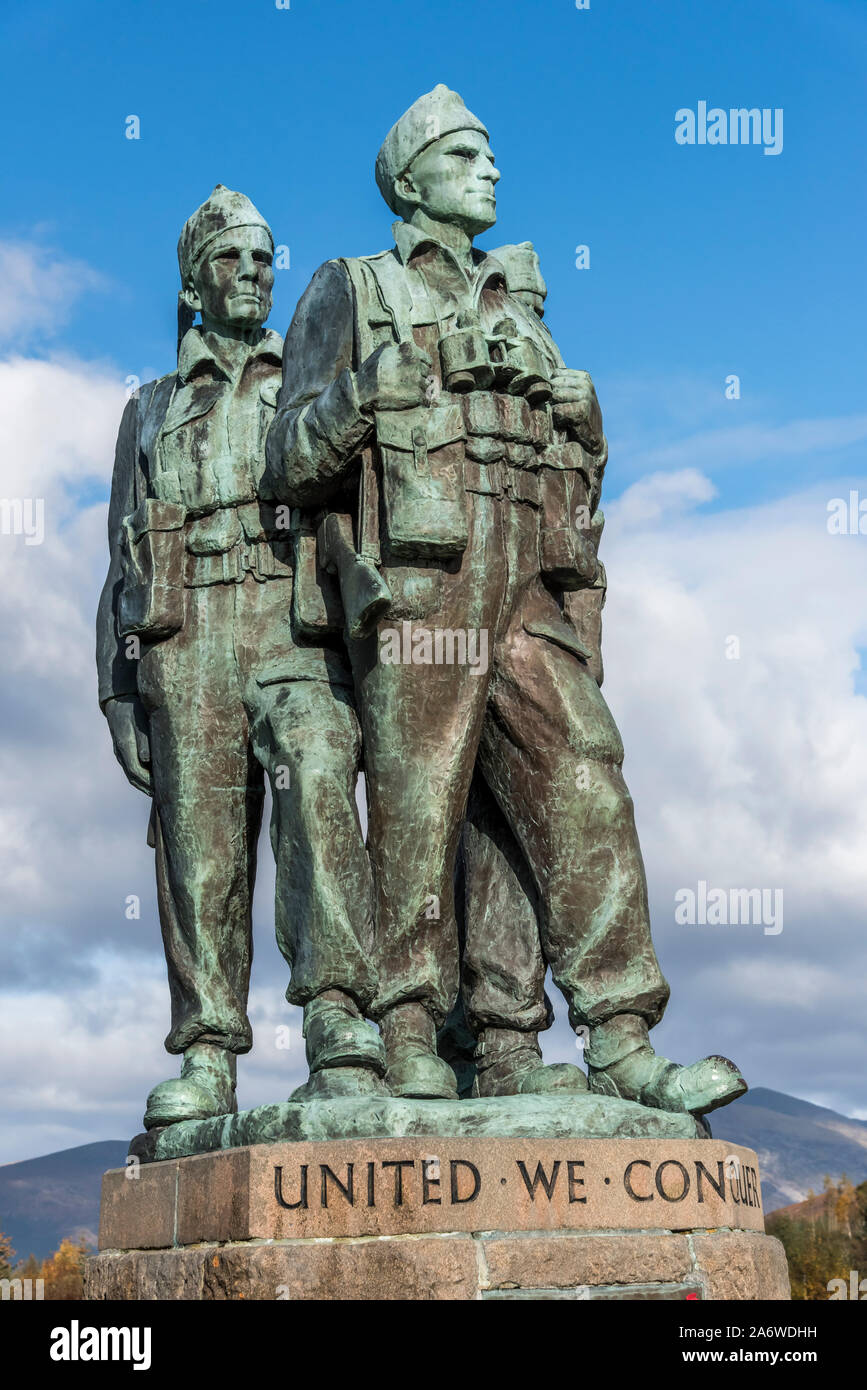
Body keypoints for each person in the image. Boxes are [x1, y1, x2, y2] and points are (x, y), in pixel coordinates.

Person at [266, 89, 746, 1116]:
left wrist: (588, 413)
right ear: (410, 179)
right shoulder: (351, 288)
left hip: (528, 573)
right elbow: (288, 453)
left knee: (581, 781)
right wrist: (368, 391)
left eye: (489, 155)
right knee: (419, 803)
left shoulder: (520, 301)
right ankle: (407, 1026)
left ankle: (615, 1035)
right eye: (466, 154)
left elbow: (574, 460)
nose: (490, 169)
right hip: (424, 578)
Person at [97, 187, 385, 1130]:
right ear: (194, 278)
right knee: (198, 853)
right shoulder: (148, 410)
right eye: (233, 259)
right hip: (183, 644)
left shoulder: (304, 380)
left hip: (289, 624)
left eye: (266, 260)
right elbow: (118, 563)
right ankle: (209, 1051)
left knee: (316, 789)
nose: (255, 274)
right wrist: (120, 693)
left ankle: (340, 1020)